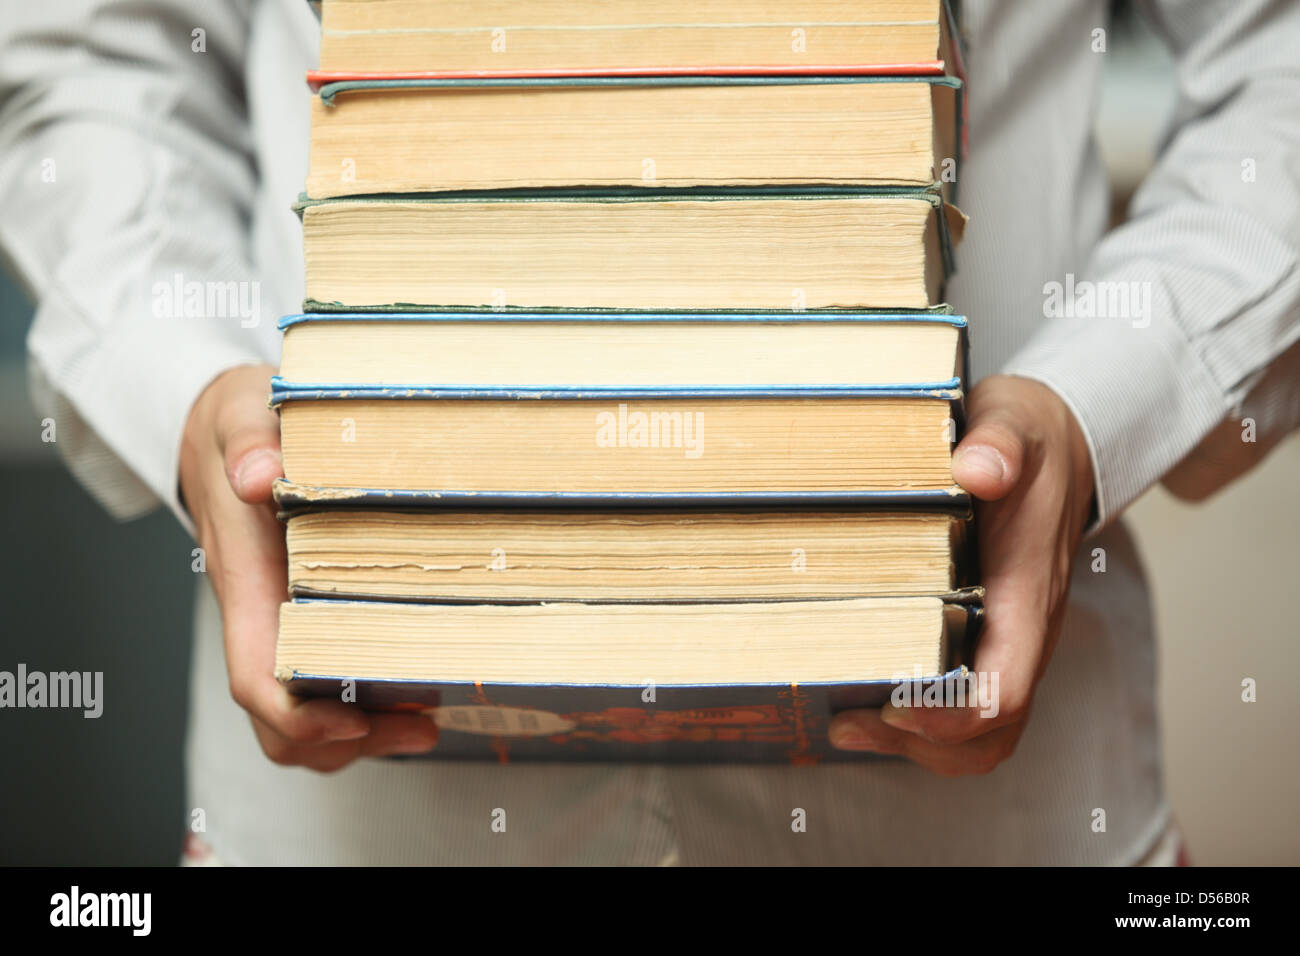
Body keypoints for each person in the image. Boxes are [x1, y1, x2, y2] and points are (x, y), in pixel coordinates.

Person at [1, 0, 1297, 865]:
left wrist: (1099, 401)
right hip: (357, 817)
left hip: (997, 814)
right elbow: (93, 57)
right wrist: (191, 391)